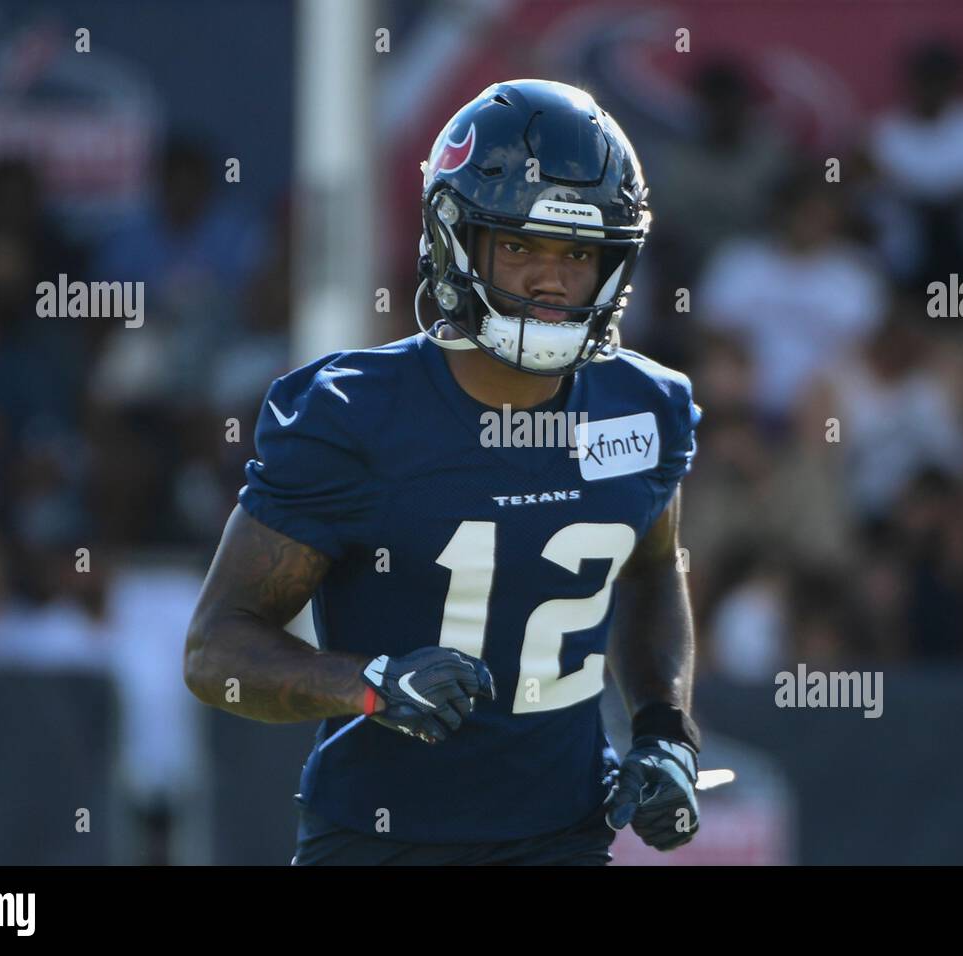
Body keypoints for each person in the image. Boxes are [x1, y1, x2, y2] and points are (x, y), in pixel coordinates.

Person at [184, 79, 703, 865]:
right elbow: (215, 652)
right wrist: (372, 683)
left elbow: (655, 572)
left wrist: (667, 734)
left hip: (564, 838)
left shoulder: (644, 407)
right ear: (455, 237)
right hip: (381, 842)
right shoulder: (353, 415)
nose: (552, 280)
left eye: (577, 252)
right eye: (521, 244)